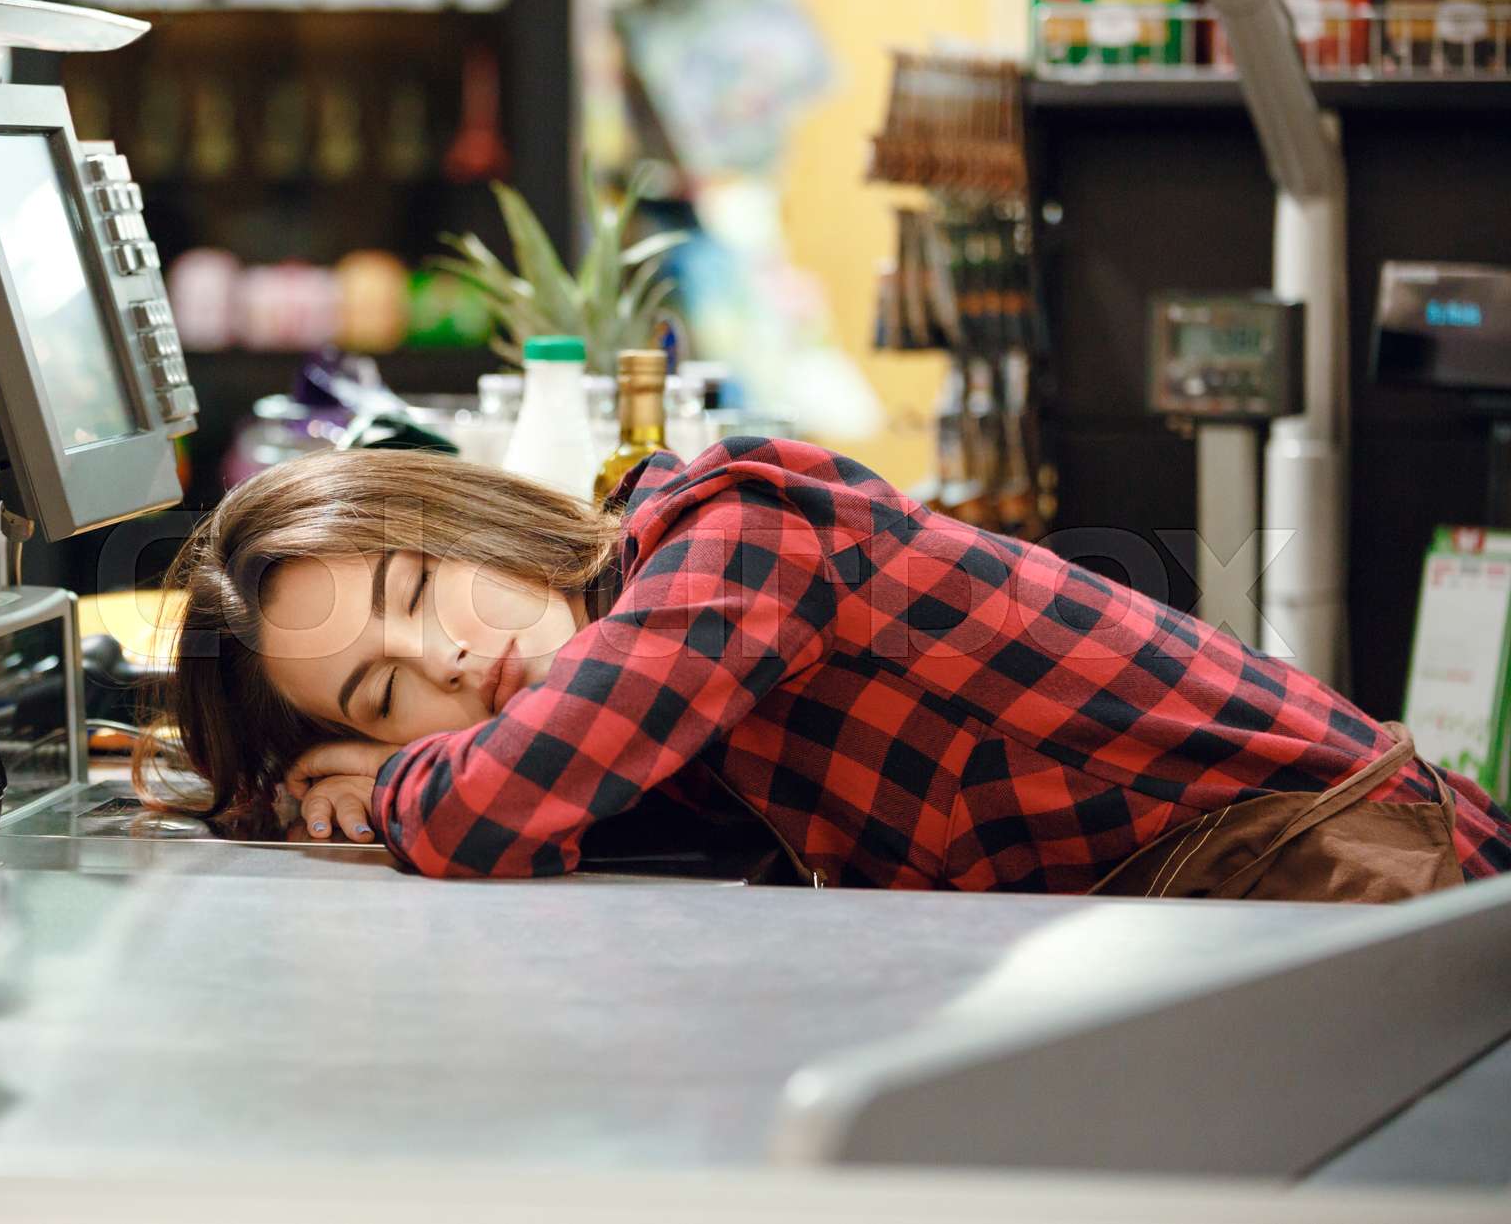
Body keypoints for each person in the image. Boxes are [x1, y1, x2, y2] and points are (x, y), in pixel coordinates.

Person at [143, 437, 1511, 892]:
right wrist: (287, 791)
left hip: (1358, 882)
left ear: (479, 517)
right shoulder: (665, 699)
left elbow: (491, 804)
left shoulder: (738, 529)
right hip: (1229, 925)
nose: (444, 656)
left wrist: (390, 782)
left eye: (418, 585)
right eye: (385, 693)